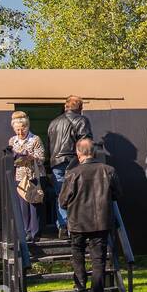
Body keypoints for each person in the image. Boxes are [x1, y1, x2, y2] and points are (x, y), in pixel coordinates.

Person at [58, 138, 121, 292]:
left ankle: (80, 282)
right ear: (93, 152)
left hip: (78, 222)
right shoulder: (108, 171)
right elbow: (118, 194)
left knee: (77, 251)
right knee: (98, 261)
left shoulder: (72, 173)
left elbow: (62, 201)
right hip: (101, 223)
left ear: (79, 153)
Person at [46, 96, 93, 238]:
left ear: (66, 107)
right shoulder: (81, 120)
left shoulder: (53, 123)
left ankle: (63, 225)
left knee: (60, 194)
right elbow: (85, 142)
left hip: (56, 163)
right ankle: (77, 226)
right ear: (80, 108)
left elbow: (49, 145)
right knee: (78, 193)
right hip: (74, 161)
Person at [9, 112, 45, 264]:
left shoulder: (35, 139)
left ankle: (35, 233)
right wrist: (16, 157)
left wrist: (31, 157)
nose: (20, 132)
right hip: (20, 177)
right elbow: (11, 158)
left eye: (22, 128)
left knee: (34, 205)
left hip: (33, 175)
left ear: (27, 126)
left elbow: (42, 158)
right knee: (23, 205)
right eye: (17, 129)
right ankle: (26, 232)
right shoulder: (12, 140)